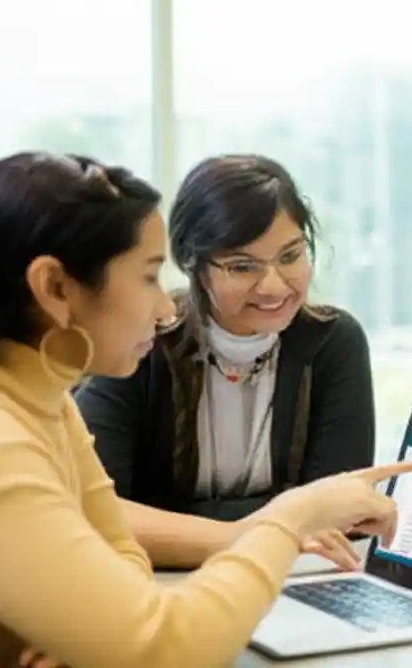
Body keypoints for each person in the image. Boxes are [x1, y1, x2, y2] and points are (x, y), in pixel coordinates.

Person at [0, 152, 412, 667]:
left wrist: (94, 626)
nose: (164, 308)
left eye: (290, 256)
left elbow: (122, 554)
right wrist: (290, 517)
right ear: (55, 288)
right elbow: (165, 652)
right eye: (149, 277)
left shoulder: (44, 405)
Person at [74, 154, 375, 569]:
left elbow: (341, 513)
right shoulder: (142, 341)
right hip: (155, 584)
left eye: (290, 256)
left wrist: (170, 520)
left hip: (289, 580)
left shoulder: (333, 342)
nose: (273, 286)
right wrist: (282, 521)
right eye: (242, 266)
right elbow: (97, 514)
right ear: (193, 264)